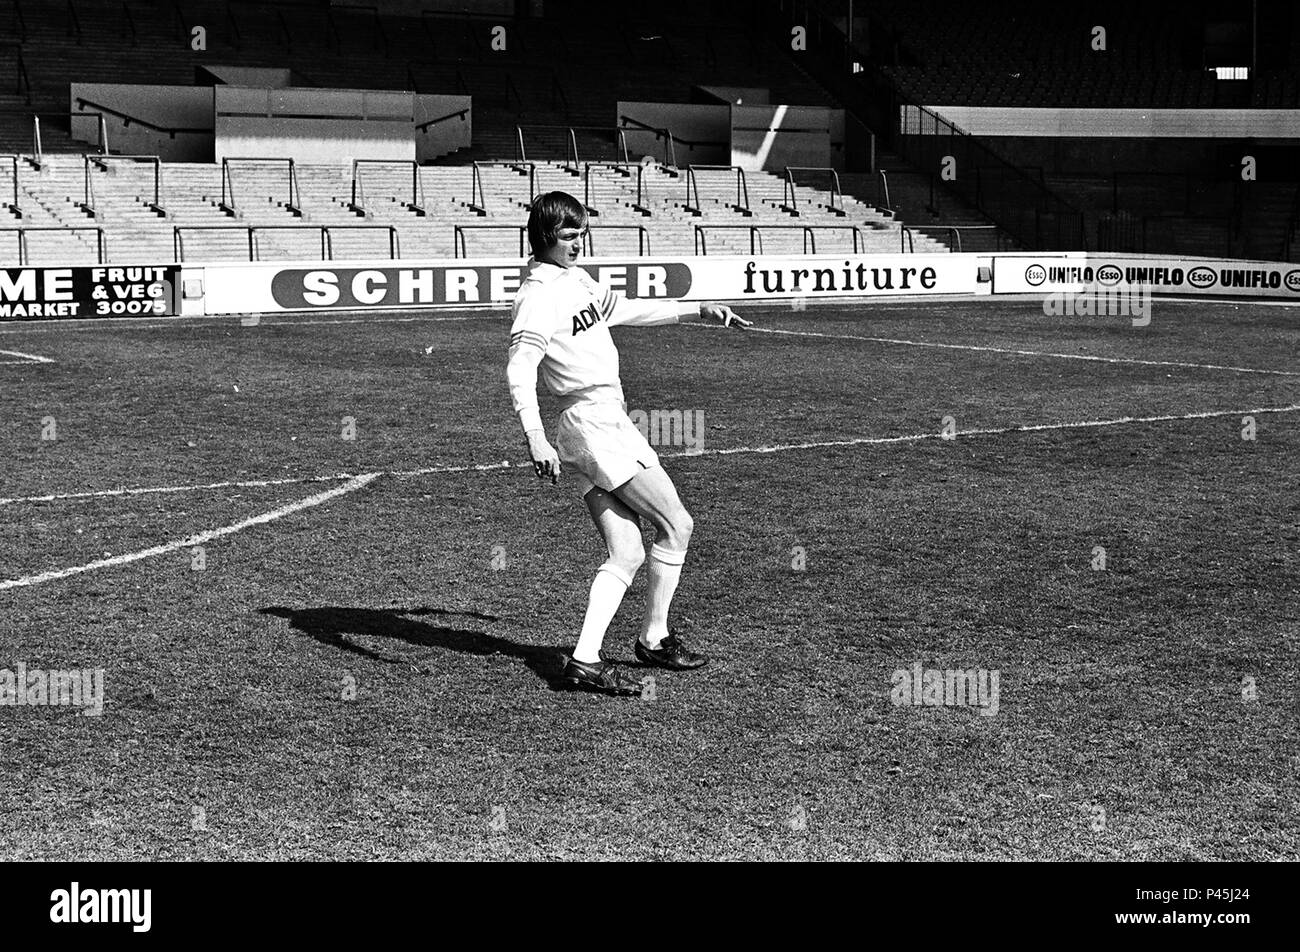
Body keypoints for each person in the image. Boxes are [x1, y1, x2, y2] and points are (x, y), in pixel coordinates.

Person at [506, 191, 751, 696]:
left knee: (628, 550)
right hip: (594, 425)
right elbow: (518, 369)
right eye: (570, 235)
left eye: (581, 233)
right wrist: (533, 438)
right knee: (676, 523)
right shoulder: (538, 294)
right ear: (545, 236)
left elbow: (626, 310)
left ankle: (584, 661)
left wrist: (698, 310)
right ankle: (654, 638)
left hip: (587, 428)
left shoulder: (575, 280)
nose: (579, 243)